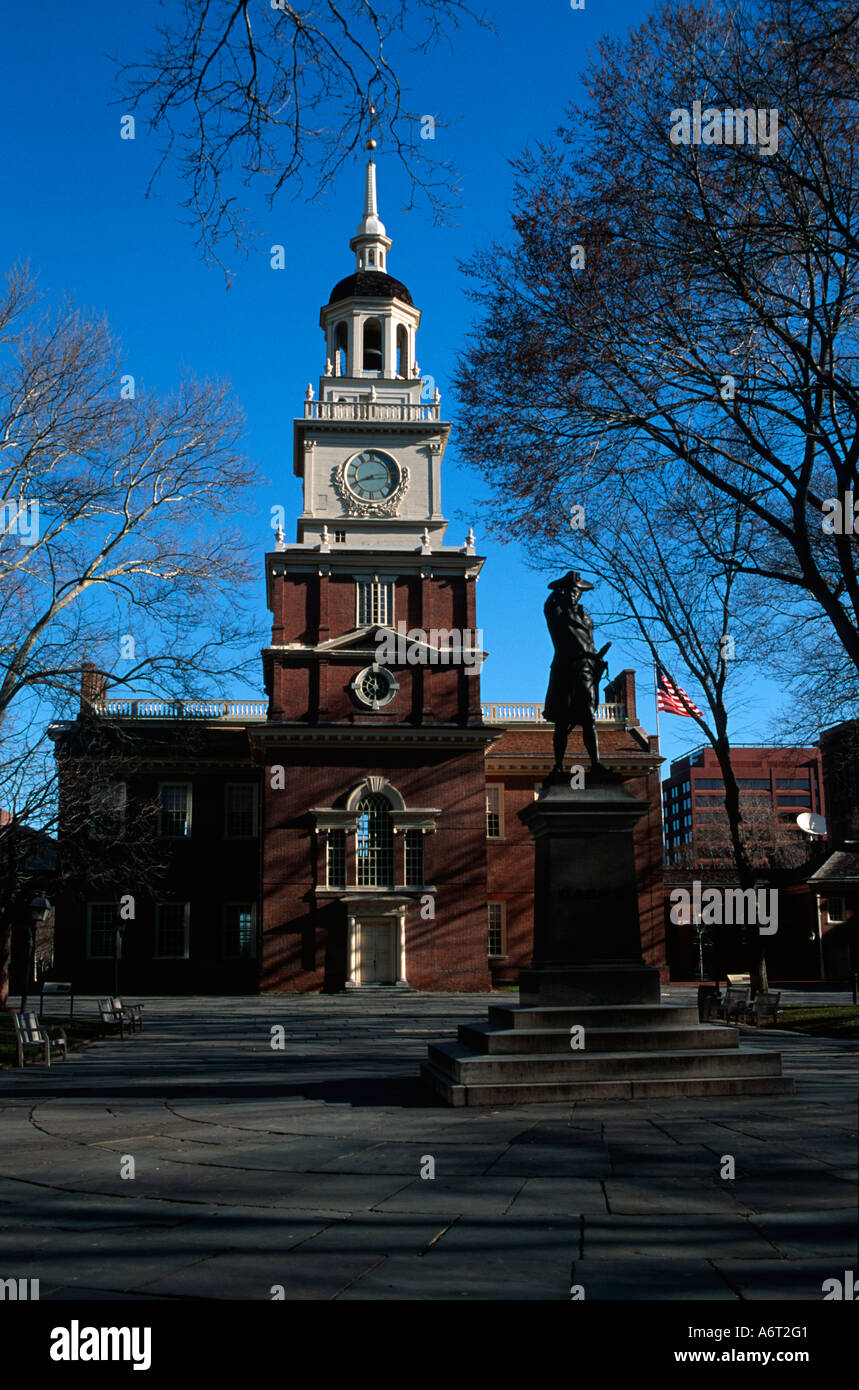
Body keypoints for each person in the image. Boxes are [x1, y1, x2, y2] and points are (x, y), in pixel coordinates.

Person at [543, 571, 611, 778]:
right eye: (570, 590)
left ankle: (596, 763)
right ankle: (558, 765)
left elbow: (588, 642)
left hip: (587, 670)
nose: (573, 594)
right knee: (562, 721)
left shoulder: (586, 617)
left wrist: (597, 658)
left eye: (577, 591)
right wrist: (561, 584)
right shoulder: (557, 613)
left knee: (589, 718)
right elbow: (548, 603)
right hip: (566, 669)